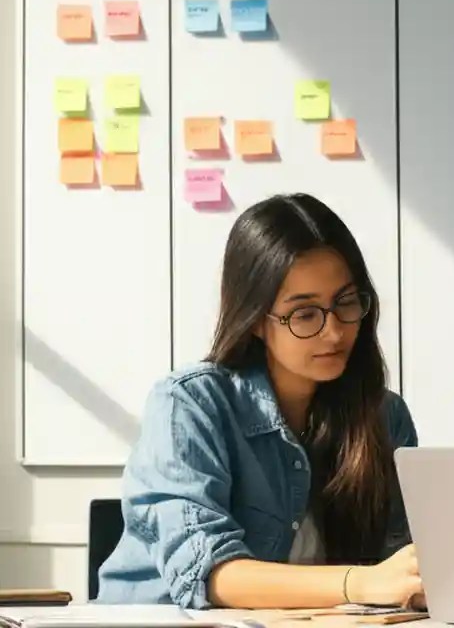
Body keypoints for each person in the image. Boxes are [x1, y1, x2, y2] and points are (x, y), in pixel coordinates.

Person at [97, 194, 424, 610]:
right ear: (254, 318)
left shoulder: (383, 416)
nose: (334, 332)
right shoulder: (189, 404)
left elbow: (400, 563)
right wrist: (360, 583)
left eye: (345, 303)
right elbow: (208, 573)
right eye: (305, 314)